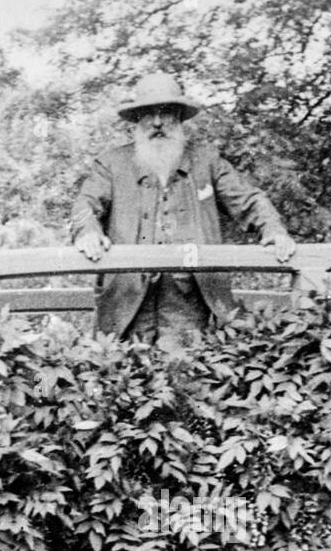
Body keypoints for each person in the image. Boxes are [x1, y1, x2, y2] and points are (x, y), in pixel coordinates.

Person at [70, 72, 297, 349]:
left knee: (190, 377)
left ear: (179, 116)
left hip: (192, 303)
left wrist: (273, 230)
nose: (156, 122)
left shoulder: (206, 160)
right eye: (147, 113)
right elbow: (84, 204)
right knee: (124, 379)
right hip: (128, 303)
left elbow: (249, 200)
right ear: (137, 119)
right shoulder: (112, 164)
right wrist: (88, 232)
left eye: (165, 113)